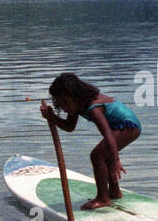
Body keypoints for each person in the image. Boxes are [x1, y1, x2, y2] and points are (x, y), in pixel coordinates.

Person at [41, 73, 141, 209]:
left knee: (97, 155)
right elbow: (70, 127)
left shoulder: (93, 108)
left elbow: (108, 135)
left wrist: (116, 160)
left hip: (128, 125)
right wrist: (51, 117)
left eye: (65, 102)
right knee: (104, 155)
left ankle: (103, 198)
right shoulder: (76, 105)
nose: (64, 107)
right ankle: (114, 192)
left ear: (75, 96)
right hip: (121, 127)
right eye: (60, 103)